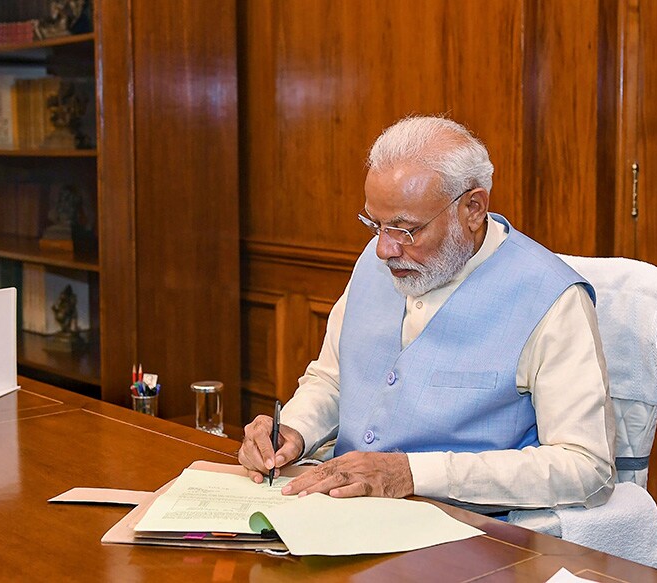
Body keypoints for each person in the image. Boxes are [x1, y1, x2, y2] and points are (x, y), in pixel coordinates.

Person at [238, 116, 616, 513]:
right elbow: (334, 379)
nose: (384, 249)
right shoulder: (375, 262)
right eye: (375, 224)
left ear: (473, 208)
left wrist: (414, 473)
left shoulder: (553, 299)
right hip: (340, 511)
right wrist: (293, 431)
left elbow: (586, 466)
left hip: (463, 534)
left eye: (406, 229)